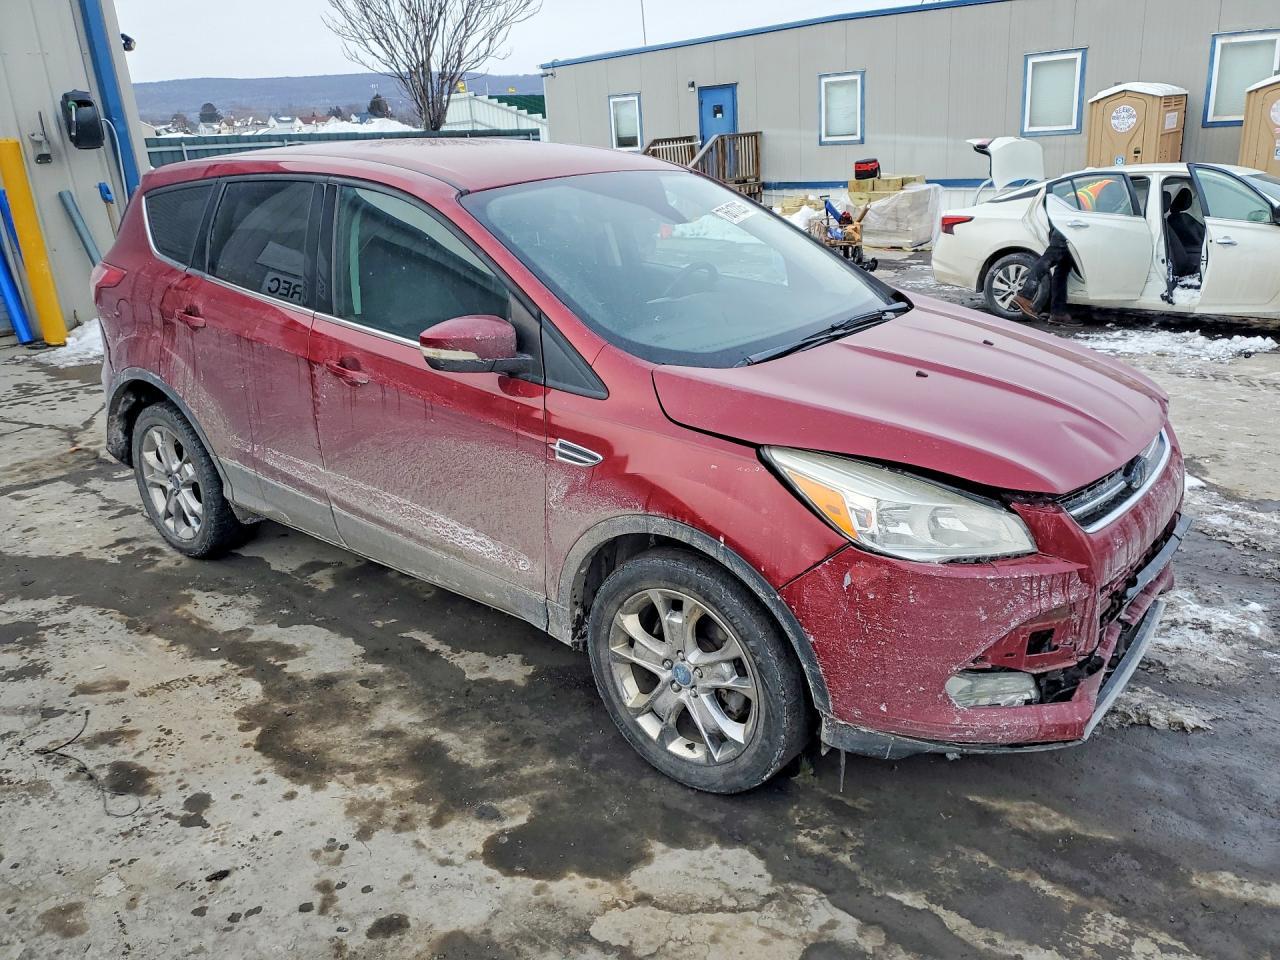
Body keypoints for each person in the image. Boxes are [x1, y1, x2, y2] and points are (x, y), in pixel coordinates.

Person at [1010, 226, 1077, 326]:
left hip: (1065, 228)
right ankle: (1024, 296)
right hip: (1066, 228)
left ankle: (1058, 313)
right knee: (1048, 260)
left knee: (1063, 269)